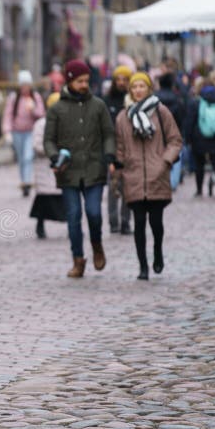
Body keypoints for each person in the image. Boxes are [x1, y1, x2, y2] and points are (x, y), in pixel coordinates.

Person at [44, 59, 115, 278]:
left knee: (94, 213)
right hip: (68, 171)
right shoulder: (57, 109)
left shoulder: (98, 105)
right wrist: (55, 156)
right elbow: (49, 140)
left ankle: (96, 244)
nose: (84, 85)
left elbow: (108, 134)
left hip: (94, 168)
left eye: (86, 81)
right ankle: (78, 259)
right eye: (80, 81)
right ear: (69, 81)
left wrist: (109, 155)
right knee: (73, 216)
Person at [114, 72, 182, 280]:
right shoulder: (123, 117)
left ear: (149, 88)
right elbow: (119, 148)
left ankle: (158, 251)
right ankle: (142, 266)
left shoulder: (161, 111)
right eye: (134, 87)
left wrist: (165, 161)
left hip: (157, 174)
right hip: (133, 175)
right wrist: (119, 170)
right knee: (139, 223)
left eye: (141, 86)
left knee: (156, 222)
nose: (138, 90)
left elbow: (175, 140)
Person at [2, 70, 45, 197]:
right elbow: (8, 115)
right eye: (23, 85)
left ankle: (27, 181)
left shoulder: (35, 97)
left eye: (27, 85)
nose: (25, 87)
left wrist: (33, 109)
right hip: (17, 132)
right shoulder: (14, 98)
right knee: (21, 158)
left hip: (30, 132)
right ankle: (23, 181)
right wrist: (7, 131)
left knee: (28, 157)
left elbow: (41, 114)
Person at [29, 92, 65, 239]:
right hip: (45, 166)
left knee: (65, 198)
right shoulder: (41, 124)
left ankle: (71, 224)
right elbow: (37, 144)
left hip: (62, 166)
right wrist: (53, 151)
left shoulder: (67, 123)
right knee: (44, 199)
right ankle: (40, 224)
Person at [103, 64, 132, 234]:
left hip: (130, 150)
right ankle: (113, 221)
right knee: (113, 185)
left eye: (125, 79)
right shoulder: (107, 101)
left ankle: (126, 221)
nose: (121, 82)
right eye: (118, 79)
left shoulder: (132, 101)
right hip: (112, 149)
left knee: (128, 187)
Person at [186, 79, 215, 197]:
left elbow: (190, 122)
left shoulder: (195, 102)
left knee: (199, 164)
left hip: (199, 136)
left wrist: (188, 138)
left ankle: (199, 189)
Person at [155, 72, 187, 191]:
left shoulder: (154, 99)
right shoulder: (177, 99)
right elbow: (182, 117)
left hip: (157, 134)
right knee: (175, 158)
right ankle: (172, 183)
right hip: (174, 133)